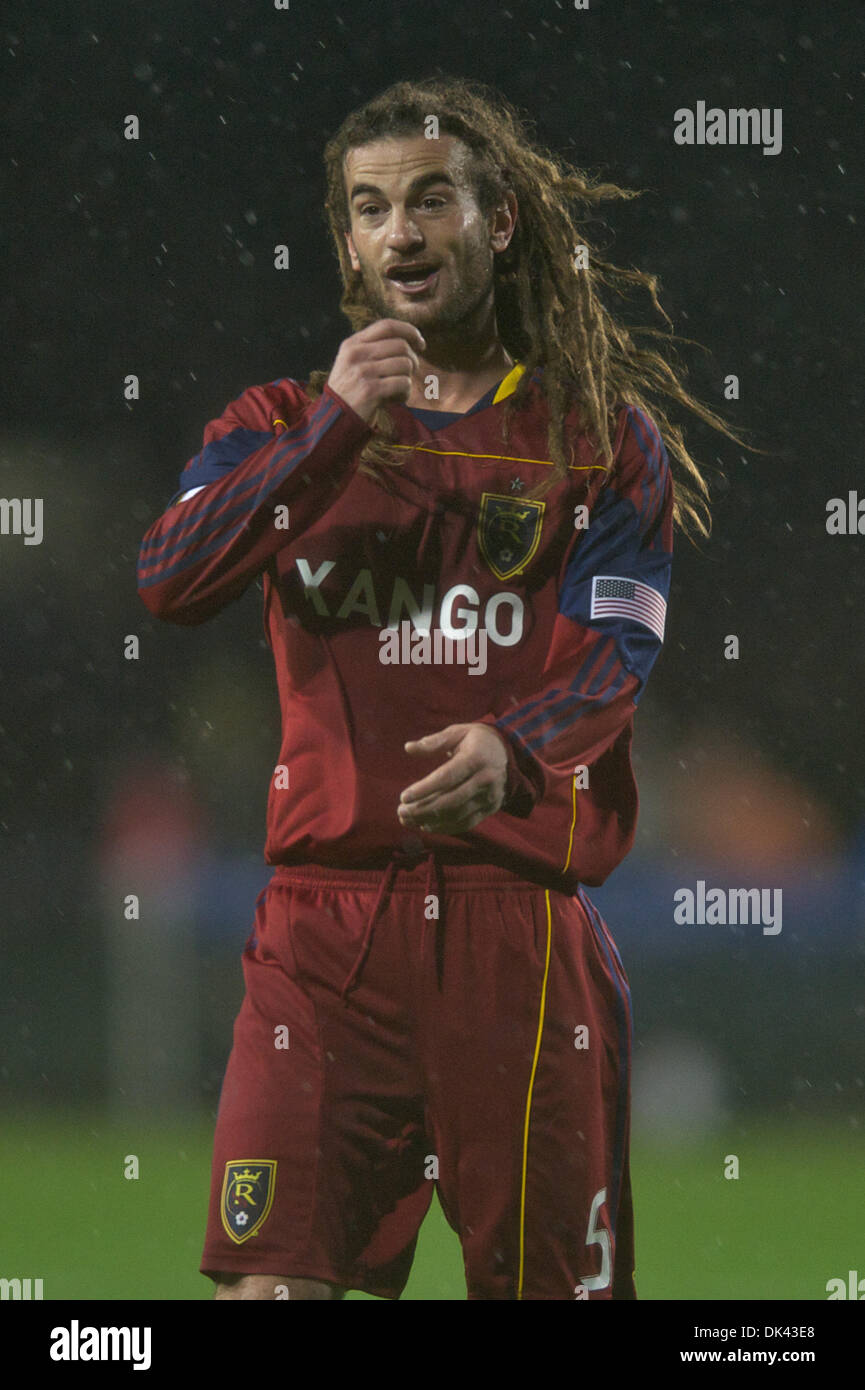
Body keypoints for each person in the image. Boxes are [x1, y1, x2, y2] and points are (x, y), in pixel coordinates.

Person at [137, 77, 740, 1301]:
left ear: (499, 220)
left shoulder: (600, 440)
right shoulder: (279, 422)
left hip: (516, 933)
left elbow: (616, 658)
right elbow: (171, 578)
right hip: (321, 937)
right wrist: (335, 432)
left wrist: (514, 751)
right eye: (369, 208)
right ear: (345, 239)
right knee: (266, 1290)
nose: (400, 232)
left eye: (430, 200)